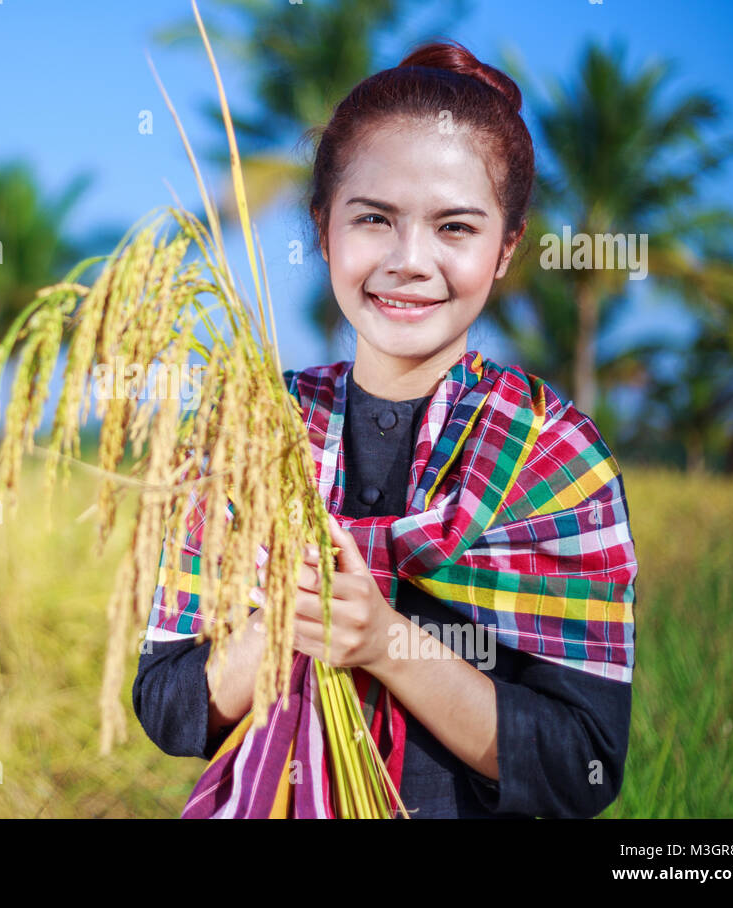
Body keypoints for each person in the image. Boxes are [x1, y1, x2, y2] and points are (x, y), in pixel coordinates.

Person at [133, 40, 638, 819]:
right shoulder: (254, 433)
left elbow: (583, 768)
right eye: (374, 218)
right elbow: (168, 705)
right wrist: (280, 624)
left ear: (506, 248)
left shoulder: (554, 456)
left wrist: (385, 644)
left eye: (455, 229)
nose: (410, 261)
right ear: (323, 228)